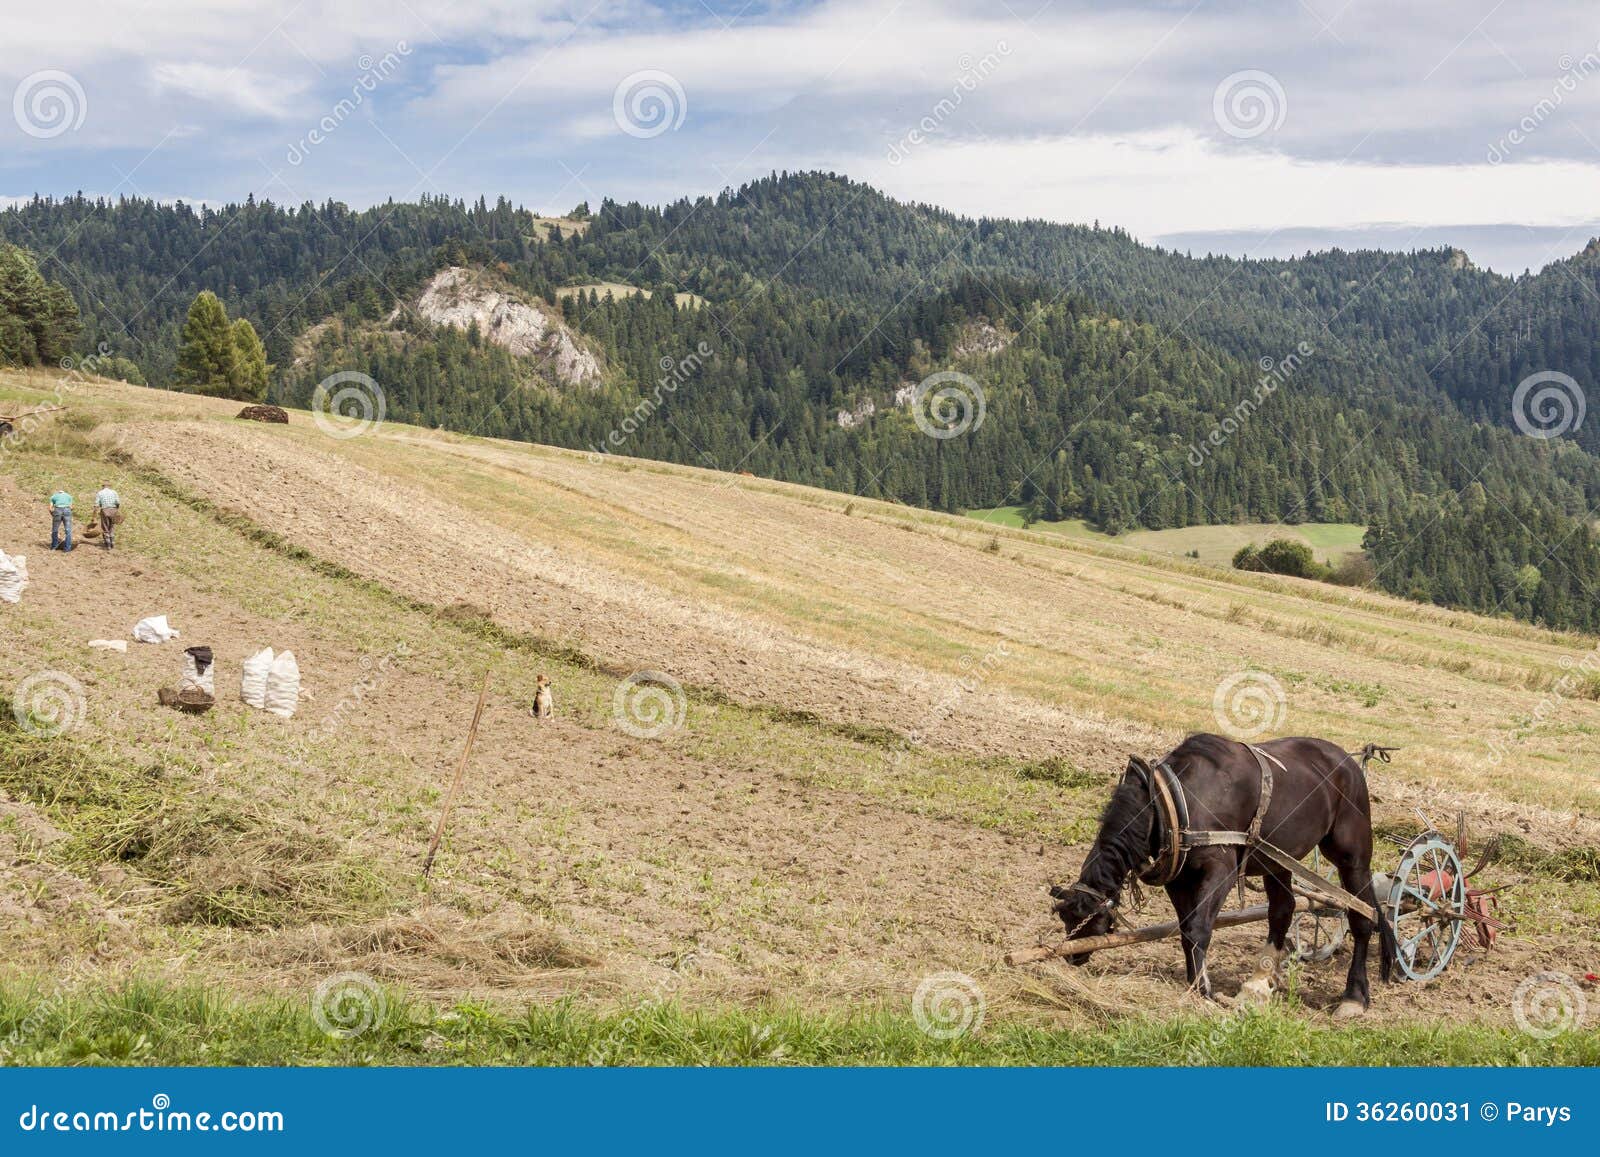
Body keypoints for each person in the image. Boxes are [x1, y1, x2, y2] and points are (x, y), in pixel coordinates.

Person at [94, 482, 121, 551]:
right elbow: (118, 502)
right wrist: (116, 510)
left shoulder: (100, 493)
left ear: (103, 486)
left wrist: (94, 515)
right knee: (111, 526)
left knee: (105, 527)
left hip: (105, 510)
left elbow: (96, 505)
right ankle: (113, 543)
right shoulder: (114, 492)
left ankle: (108, 545)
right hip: (113, 510)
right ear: (109, 486)